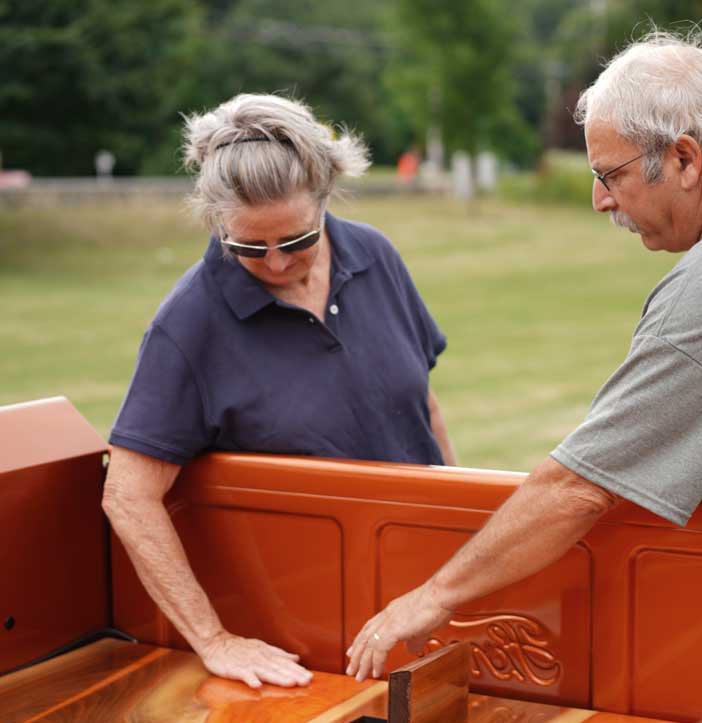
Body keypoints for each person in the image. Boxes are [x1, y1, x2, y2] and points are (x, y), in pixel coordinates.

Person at [346, 28, 702, 682]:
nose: (600, 200)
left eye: (610, 175)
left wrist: (432, 597)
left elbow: (580, 487)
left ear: (684, 158)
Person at [102, 93, 456, 690]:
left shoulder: (375, 255)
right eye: (247, 246)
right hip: (308, 631)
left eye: (295, 241)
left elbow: (422, 404)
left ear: (326, 196)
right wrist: (213, 639)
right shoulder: (188, 323)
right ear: (216, 223)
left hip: (423, 592)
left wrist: (458, 536)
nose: (273, 263)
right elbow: (127, 496)